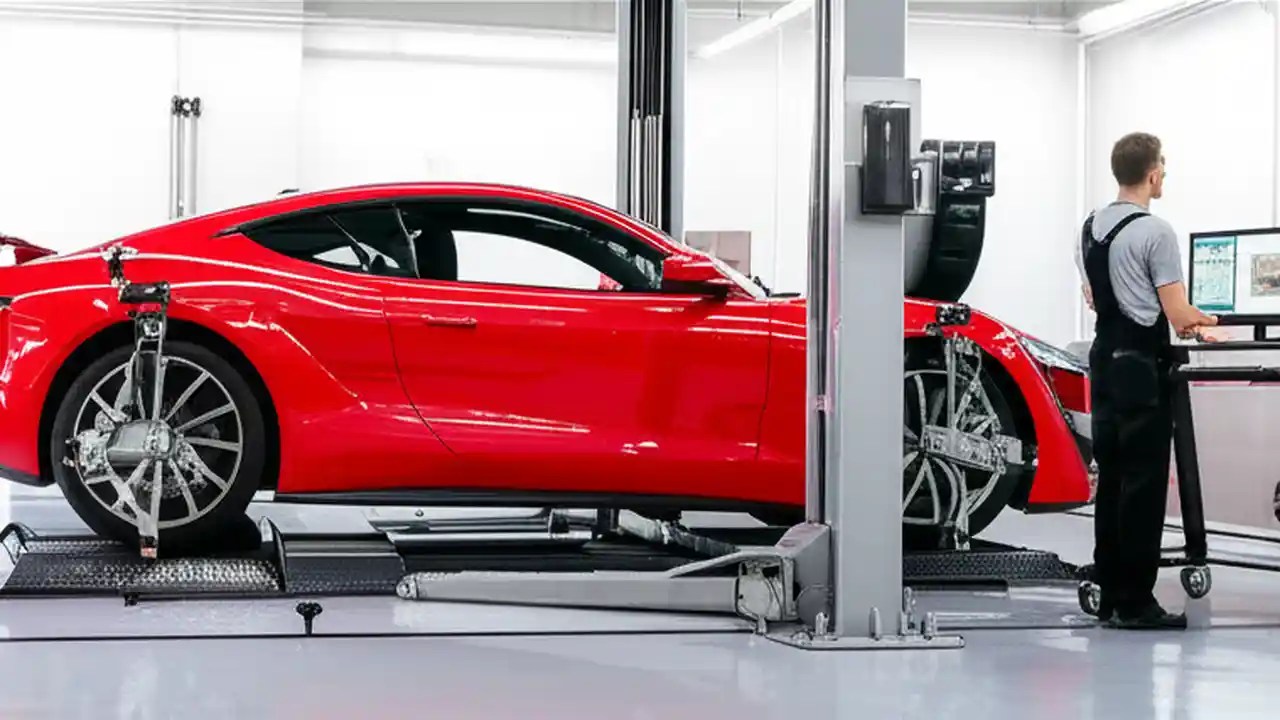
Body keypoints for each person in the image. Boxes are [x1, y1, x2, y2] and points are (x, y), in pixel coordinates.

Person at [1076, 132, 1218, 629]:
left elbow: (1094, 297)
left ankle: (1113, 596)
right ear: (1153, 173)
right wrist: (1214, 322)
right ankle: (1138, 603)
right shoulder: (1156, 231)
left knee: (1112, 479)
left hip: (1103, 362)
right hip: (1140, 365)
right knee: (1144, 484)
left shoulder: (1090, 227)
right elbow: (1178, 313)